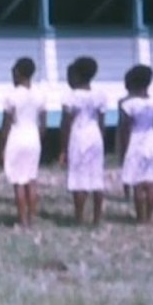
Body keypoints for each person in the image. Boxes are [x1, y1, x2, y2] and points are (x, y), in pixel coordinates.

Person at [0, 57, 46, 228]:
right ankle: (31, 218)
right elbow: (43, 123)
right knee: (31, 179)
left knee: (18, 181)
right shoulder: (39, 95)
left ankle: (22, 219)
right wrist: (39, 139)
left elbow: (6, 124)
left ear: (18, 73)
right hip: (33, 137)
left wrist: (1, 147)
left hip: (17, 136)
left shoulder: (11, 95)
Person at [62, 56, 108, 226]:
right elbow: (102, 121)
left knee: (78, 179)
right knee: (96, 177)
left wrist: (63, 148)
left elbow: (66, 123)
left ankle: (79, 217)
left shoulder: (71, 97)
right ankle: (97, 218)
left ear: (77, 75)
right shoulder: (100, 95)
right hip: (95, 135)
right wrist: (101, 139)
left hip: (78, 135)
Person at [116, 64, 153, 224]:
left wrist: (123, 150)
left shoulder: (128, 104)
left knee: (138, 183)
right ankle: (149, 216)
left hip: (135, 141)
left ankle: (140, 217)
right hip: (151, 140)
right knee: (150, 182)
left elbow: (125, 128)